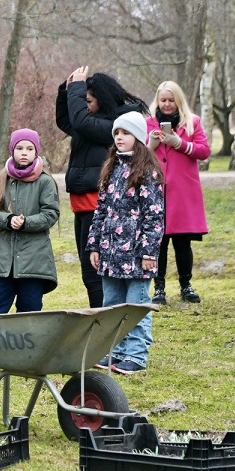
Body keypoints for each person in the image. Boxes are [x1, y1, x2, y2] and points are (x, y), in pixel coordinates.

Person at [56, 68, 147, 308]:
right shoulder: (91, 123)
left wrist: (76, 89)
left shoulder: (111, 127)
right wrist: (66, 89)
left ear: (102, 100)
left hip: (95, 206)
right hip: (82, 205)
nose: (84, 105)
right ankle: (102, 325)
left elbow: (78, 121)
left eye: (88, 100)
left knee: (94, 274)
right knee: (90, 274)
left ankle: (102, 327)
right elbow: (66, 120)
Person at [87, 112, 165, 374]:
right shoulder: (111, 169)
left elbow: (154, 216)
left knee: (136, 306)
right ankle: (117, 352)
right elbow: (100, 210)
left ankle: (136, 355)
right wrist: (95, 245)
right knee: (113, 306)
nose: (119, 138)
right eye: (117, 133)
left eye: (126, 133)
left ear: (139, 138)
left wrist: (149, 253)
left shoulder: (148, 172)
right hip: (110, 254)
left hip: (137, 255)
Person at [0, 129, 60, 314]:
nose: (24, 152)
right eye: (20, 148)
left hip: (35, 260)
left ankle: (26, 342)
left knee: (29, 308)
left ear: (36, 152)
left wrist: (26, 222)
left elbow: (51, 214)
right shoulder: (1, 180)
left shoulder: (45, 182)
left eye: (30, 149)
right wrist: (9, 220)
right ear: (12, 150)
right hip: (4, 261)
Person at [147, 80, 209, 304]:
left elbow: (204, 151)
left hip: (183, 192)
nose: (166, 104)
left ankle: (186, 285)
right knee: (158, 241)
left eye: (171, 100)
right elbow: (138, 155)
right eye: (163, 100)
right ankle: (159, 288)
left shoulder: (192, 122)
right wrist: (150, 144)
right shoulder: (149, 123)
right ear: (158, 100)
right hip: (156, 190)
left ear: (178, 100)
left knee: (183, 242)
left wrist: (179, 143)